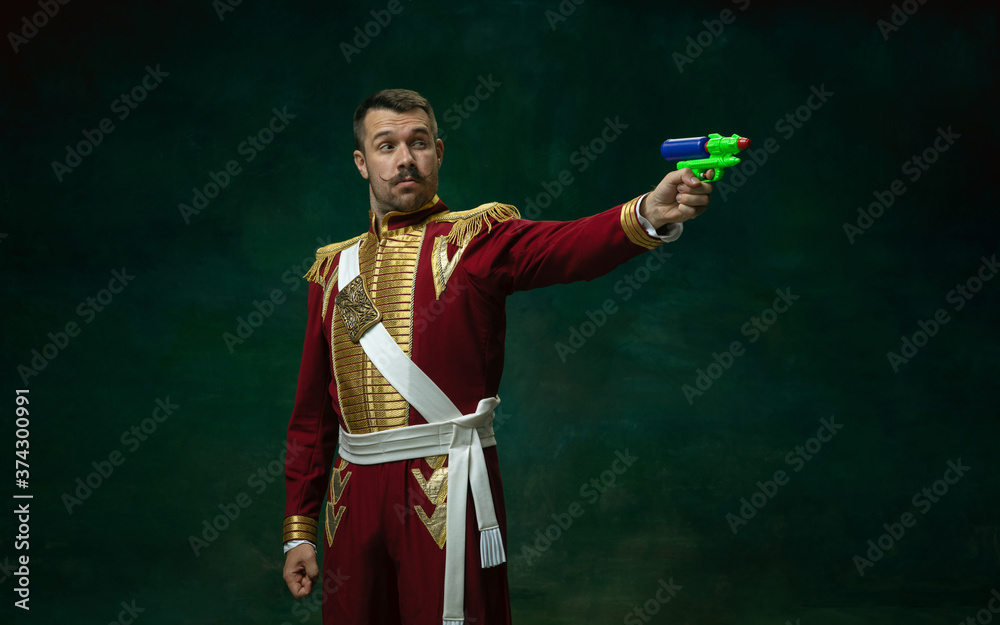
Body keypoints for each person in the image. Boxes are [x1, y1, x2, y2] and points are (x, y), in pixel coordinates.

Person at [281, 88, 713, 624]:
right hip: (351, 501)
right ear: (362, 163)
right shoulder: (333, 273)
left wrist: (648, 214)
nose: (405, 159)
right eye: (386, 145)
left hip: (444, 483)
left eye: (418, 143)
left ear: (438, 152)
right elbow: (312, 417)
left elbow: (569, 247)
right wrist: (298, 530)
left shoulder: (477, 240)